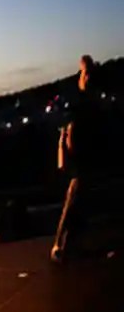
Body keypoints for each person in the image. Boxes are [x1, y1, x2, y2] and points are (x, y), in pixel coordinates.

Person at [51, 55, 110, 262]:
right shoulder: (80, 103)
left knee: (79, 203)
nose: (87, 78)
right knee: (73, 202)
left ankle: (68, 244)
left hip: (84, 159)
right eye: (85, 74)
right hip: (80, 161)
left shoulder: (89, 102)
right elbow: (70, 133)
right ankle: (60, 245)